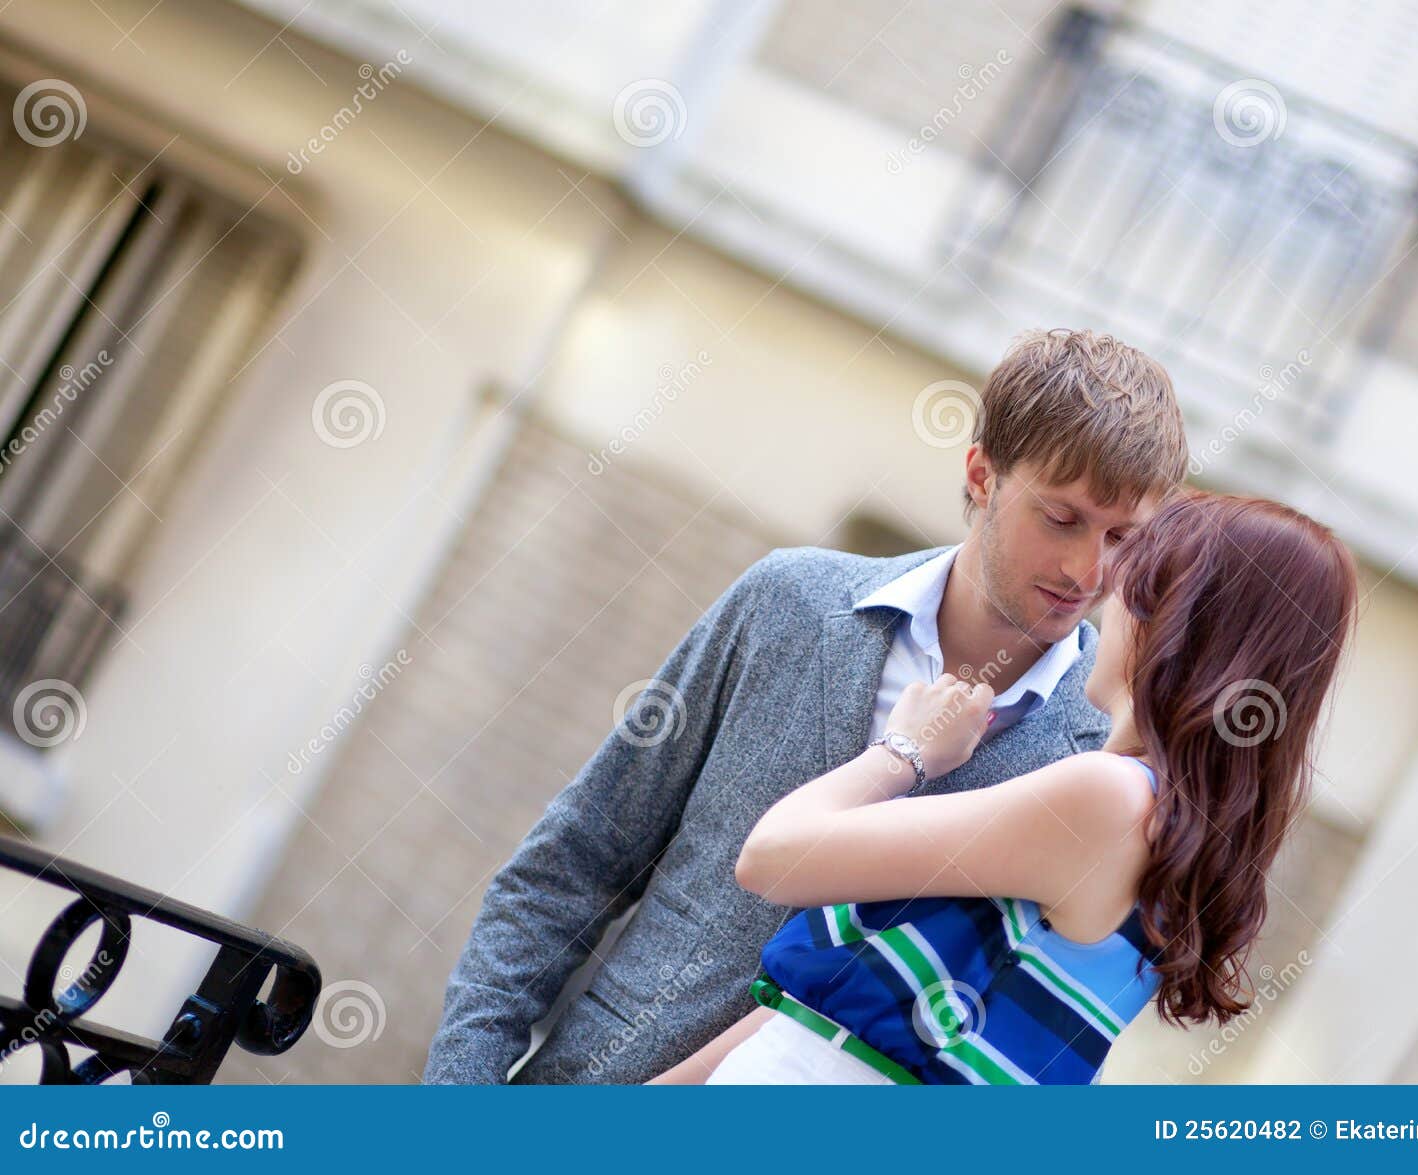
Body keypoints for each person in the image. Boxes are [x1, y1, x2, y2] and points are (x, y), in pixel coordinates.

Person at [423, 328, 1188, 1084]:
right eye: (1062, 518)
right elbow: (575, 863)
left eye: (1125, 537)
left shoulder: (1100, 767)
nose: (1089, 568)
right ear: (983, 476)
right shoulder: (787, 602)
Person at [652, 491, 1358, 1084]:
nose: (1103, 601)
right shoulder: (1158, 824)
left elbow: (775, 856)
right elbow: (827, 1010)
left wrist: (906, 752)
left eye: (1133, 584)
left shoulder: (1108, 801)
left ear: (1171, 623)